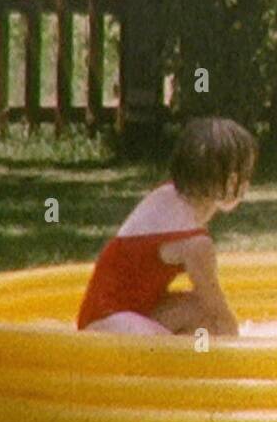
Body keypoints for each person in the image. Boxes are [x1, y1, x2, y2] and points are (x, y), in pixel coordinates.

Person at [77, 117, 258, 335]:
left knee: (199, 311)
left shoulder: (167, 197)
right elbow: (221, 316)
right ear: (231, 182)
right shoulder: (195, 243)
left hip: (108, 316)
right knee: (205, 322)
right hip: (110, 323)